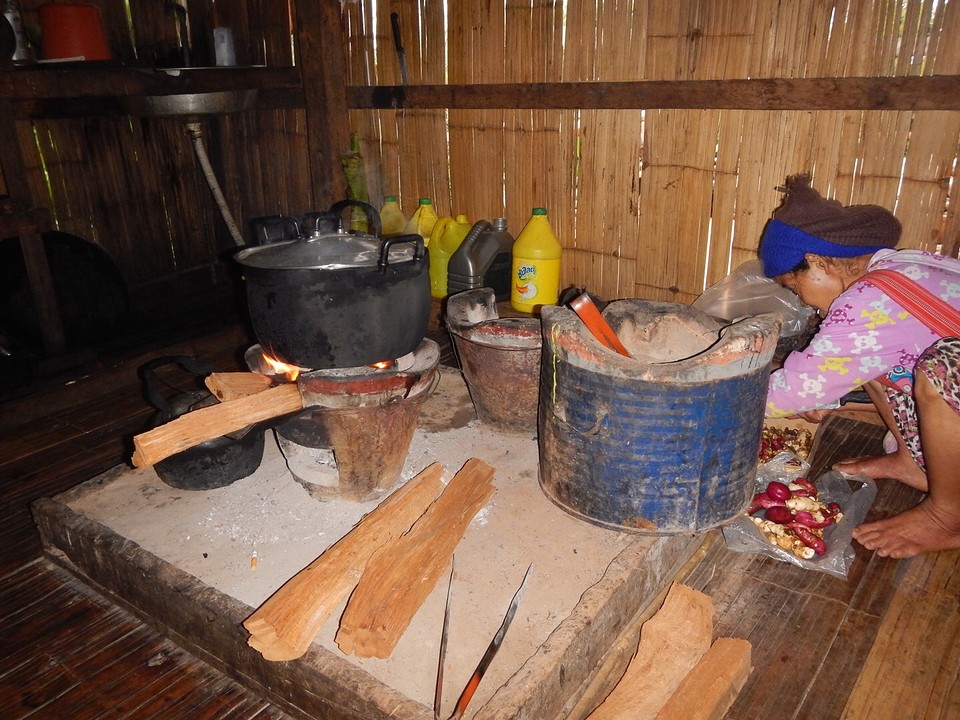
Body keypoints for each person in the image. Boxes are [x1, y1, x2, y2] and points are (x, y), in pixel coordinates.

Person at [759, 174, 960, 558]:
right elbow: (855, 362)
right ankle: (911, 460)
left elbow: (797, 389)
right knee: (874, 361)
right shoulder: (897, 267)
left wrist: (720, 398)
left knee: (940, 371)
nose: (802, 302)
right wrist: (831, 399)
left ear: (817, 263)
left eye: (793, 287)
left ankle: (947, 518)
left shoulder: (868, 300)